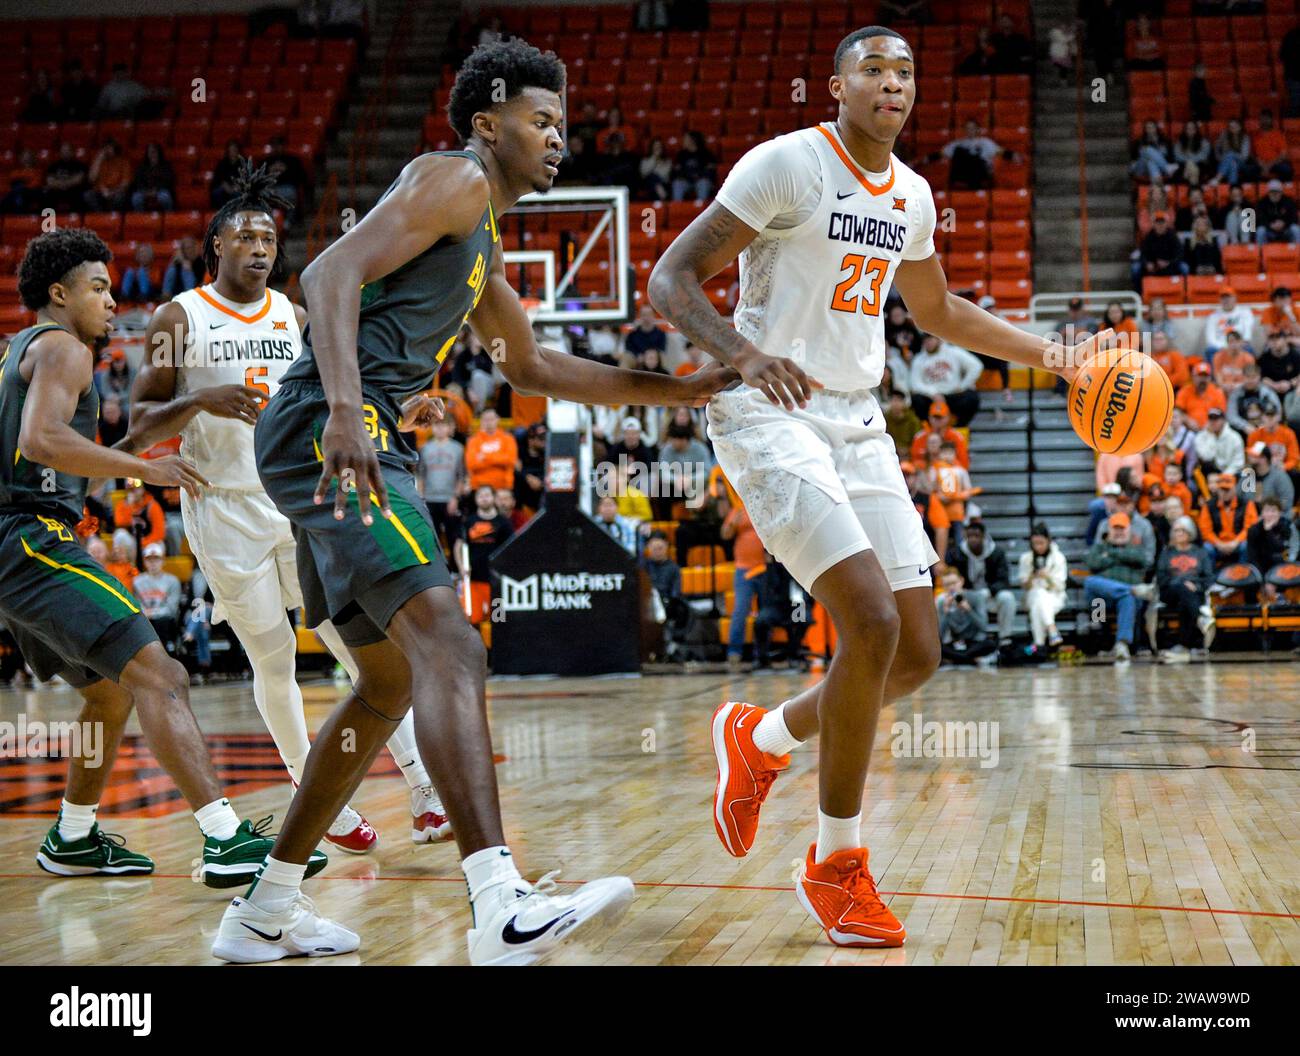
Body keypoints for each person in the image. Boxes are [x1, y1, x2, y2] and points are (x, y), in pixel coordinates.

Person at [230, 38, 733, 965]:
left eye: (562, 125)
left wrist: (682, 389)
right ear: (486, 122)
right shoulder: (453, 178)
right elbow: (326, 275)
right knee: (452, 642)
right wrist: (347, 404)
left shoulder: (484, 243)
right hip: (333, 427)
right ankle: (497, 899)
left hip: (343, 430)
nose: (557, 140)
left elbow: (535, 366)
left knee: (386, 681)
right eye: (541, 121)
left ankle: (261, 909)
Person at [649, 25, 1109, 949]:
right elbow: (670, 278)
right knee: (870, 622)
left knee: (917, 653)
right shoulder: (785, 165)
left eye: (904, 71)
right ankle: (837, 865)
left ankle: (762, 740)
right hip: (768, 413)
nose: (892, 83)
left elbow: (936, 309)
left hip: (858, 422)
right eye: (873, 69)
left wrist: (1056, 357)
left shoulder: (911, 194)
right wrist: (741, 351)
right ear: (835, 86)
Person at [126, 159, 446, 857]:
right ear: (216, 246)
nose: (261, 248)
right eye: (245, 237)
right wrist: (197, 401)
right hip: (224, 512)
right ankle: (317, 794)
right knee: (272, 656)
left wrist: (396, 413)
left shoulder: (296, 314)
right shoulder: (176, 317)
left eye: (269, 238)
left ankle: (425, 790)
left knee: (362, 651)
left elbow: (333, 393)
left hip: (300, 503)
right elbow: (137, 420)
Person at [0, 228, 314, 886]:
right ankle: (225, 838)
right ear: (58, 295)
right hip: (28, 540)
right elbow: (42, 440)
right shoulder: (63, 347)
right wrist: (140, 470)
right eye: (98, 288)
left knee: (111, 690)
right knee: (161, 675)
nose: (112, 301)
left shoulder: (16, 351)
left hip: (21, 542)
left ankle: (74, 837)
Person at [1084, 512, 1151, 663]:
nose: (1119, 532)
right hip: (1103, 599)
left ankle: (1121, 644)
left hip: (1131, 601)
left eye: (1122, 529)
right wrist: (1121, 555)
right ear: (1109, 531)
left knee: (1127, 599)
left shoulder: (1137, 548)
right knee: (1090, 583)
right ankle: (1105, 643)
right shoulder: (1098, 548)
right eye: (1116, 529)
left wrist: (1110, 555)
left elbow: (1140, 560)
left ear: (1129, 530)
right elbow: (1093, 563)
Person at [944, 519, 1014, 645]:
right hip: (966, 596)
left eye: (976, 536)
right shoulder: (957, 553)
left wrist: (989, 591)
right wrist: (956, 592)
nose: (973, 539)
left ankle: (1005, 639)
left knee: (1007, 598)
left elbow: (1004, 581)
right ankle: (947, 641)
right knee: (941, 600)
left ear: (984, 537)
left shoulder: (997, 553)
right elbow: (950, 576)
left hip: (989, 596)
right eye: (970, 536)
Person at [1155, 516, 1215, 662]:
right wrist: (1183, 582)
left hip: (1194, 592)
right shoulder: (1167, 552)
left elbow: (1209, 578)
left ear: (1190, 533)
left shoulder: (1200, 553)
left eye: (1182, 531)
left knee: (1185, 601)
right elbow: (1161, 578)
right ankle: (1201, 620)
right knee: (1182, 588)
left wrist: (1197, 586)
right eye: (1176, 531)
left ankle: (1183, 645)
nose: (1178, 534)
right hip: (1170, 592)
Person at [907, 333, 983, 424]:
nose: (928, 342)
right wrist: (933, 394)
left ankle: (959, 426)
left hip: (952, 394)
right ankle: (929, 427)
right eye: (925, 340)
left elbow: (976, 366)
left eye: (931, 339)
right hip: (930, 397)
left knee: (972, 397)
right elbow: (915, 384)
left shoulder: (953, 352)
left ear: (938, 339)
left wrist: (963, 385)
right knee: (916, 400)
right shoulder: (918, 359)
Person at [936, 568, 998, 666]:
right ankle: (968, 658)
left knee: (990, 644)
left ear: (961, 581)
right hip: (956, 643)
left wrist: (969, 610)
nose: (951, 587)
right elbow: (940, 636)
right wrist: (946, 612)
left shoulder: (976, 597)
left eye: (954, 583)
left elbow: (983, 626)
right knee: (937, 648)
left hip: (974, 642)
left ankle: (959, 658)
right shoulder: (942, 602)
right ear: (943, 586)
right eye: (947, 585)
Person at [418, 415, 464, 547]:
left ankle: (455, 566)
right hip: (430, 498)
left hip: (449, 499)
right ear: (431, 427)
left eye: (443, 425)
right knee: (431, 537)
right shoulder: (425, 448)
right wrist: (421, 499)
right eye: (436, 425)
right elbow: (421, 475)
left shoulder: (458, 448)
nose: (440, 428)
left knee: (453, 537)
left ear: (450, 427)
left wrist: (455, 498)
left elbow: (461, 476)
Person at [1019, 522, 1066, 647]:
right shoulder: (1025, 559)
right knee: (1037, 594)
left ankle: (1038, 645)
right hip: (1032, 595)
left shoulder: (1059, 558)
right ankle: (1052, 629)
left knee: (1038, 603)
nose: (1038, 547)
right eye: (1035, 544)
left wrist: (1048, 577)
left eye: (1041, 543)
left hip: (1055, 597)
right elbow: (1024, 587)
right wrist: (1031, 576)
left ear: (1048, 541)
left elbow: (1060, 586)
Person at [1198, 471, 1258, 566]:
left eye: (1227, 489)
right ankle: (1210, 577)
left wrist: (1236, 542)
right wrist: (1218, 543)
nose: (1224, 493)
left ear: (1234, 488)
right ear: (1217, 489)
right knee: (1207, 547)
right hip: (1217, 545)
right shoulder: (1209, 506)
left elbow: (1250, 528)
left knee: (1246, 545)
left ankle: (1242, 574)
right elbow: (1205, 530)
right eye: (1222, 489)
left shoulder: (1247, 504)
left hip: (1238, 543)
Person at [133, 541, 182, 649]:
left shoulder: (172, 581)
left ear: (163, 561)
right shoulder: (137, 581)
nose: (153, 563)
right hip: (145, 619)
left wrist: (153, 613)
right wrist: (145, 612)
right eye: (149, 559)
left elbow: (172, 608)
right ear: (145, 562)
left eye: (156, 559)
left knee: (161, 622)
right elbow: (137, 603)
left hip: (165, 621)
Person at [940, 119, 1003, 190]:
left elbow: (1000, 152)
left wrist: (1015, 156)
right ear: (964, 130)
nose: (970, 130)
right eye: (968, 128)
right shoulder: (958, 143)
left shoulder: (985, 142)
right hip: (962, 173)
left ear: (978, 129)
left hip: (980, 174)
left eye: (973, 128)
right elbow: (943, 153)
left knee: (975, 157)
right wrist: (926, 159)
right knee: (959, 151)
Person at [464, 407, 517, 491]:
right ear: (481, 421)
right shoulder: (473, 441)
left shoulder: (508, 439)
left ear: (498, 419)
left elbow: (510, 461)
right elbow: (471, 464)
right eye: (485, 419)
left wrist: (485, 457)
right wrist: (499, 459)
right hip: (479, 487)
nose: (489, 422)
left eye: (491, 419)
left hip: (503, 486)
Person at [909, 399, 970, 467]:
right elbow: (913, 462)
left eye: (940, 417)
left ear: (948, 417)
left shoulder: (957, 437)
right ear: (929, 418)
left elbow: (964, 464)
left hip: (949, 473)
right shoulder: (920, 436)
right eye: (935, 417)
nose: (937, 420)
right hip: (926, 474)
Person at [1246, 496, 1298, 575]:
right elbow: (1252, 556)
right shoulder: (1254, 530)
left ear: (1279, 512)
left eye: (1273, 511)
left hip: (1283, 566)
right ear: (1262, 513)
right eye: (1267, 511)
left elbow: (1290, 548)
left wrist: (1269, 532)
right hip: (1261, 567)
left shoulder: (1288, 526)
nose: (1270, 514)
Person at [1227, 361, 1282, 434]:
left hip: (1265, 428)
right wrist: (1245, 426)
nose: (1250, 380)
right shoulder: (1236, 394)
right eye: (1248, 377)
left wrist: (1265, 425)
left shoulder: (1267, 393)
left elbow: (1278, 411)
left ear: (1259, 377)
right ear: (1243, 377)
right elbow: (1231, 415)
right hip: (1244, 429)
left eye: (1253, 377)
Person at [113, 478, 165, 552]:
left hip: (148, 542)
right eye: (131, 490)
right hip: (132, 543)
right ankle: (127, 563)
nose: (134, 492)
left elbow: (159, 533)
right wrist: (131, 506)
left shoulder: (152, 505)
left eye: (137, 489)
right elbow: (120, 523)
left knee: (158, 545)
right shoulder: (122, 505)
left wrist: (143, 543)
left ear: (143, 489)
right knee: (120, 534)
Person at [1242, 441, 1294, 512]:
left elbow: (1287, 501)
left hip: (1275, 518)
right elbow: (1239, 497)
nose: (1249, 457)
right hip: (1250, 516)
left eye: (1253, 455)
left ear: (1264, 459)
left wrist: (1269, 511)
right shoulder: (1248, 474)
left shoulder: (1280, 476)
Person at [84, 139, 132, 211]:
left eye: (109, 147)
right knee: (88, 195)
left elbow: (125, 184)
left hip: (116, 191)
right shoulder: (99, 162)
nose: (107, 150)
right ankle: (100, 216)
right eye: (105, 148)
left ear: (115, 148)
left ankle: (112, 217)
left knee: (120, 197)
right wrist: (98, 159)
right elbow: (91, 179)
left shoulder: (123, 162)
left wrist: (112, 192)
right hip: (101, 191)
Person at [1176, 362, 1227, 428]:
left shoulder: (1217, 392)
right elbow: (1178, 411)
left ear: (1210, 378)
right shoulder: (1184, 391)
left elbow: (1221, 413)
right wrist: (1187, 420)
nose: (1203, 379)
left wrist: (1210, 423)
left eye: (1205, 376)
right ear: (1193, 377)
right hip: (1188, 429)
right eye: (1200, 376)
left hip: (1211, 430)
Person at [43, 143, 89, 214]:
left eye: (67, 151)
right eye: (63, 151)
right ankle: (48, 220)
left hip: (74, 190)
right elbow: (50, 181)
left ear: (72, 152)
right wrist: (63, 185)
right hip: (57, 190)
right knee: (46, 194)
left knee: (81, 195)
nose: (65, 153)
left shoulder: (80, 165)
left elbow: (79, 179)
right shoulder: (53, 166)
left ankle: (76, 220)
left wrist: (63, 184)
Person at [129, 143, 175, 212]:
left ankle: (169, 217)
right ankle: (140, 219)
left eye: (154, 152)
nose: (152, 154)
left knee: (165, 197)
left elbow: (168, 181)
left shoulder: (165, 166)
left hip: (160, 190)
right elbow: (138, 180)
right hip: (144, 190)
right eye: (150, 152)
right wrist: (145, 191)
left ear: (158, 153)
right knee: (136, 198)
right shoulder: (142, 166)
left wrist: (156, 190)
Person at [1256, 179, 1300, 245]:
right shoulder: (1262, 202)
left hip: (1285, 230)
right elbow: (1259, 219)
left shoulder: (1289, 201)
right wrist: (1270, 225)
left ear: (1281, 192)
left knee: (1295, 229)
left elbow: (1294, 217)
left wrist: (1284, 223)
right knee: (1260, 230)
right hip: (1269, 230)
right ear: (1268, 192)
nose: (1275, 194)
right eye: (1272, 192)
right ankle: (1260, 253)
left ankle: (1297, 252)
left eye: (1277, 192)